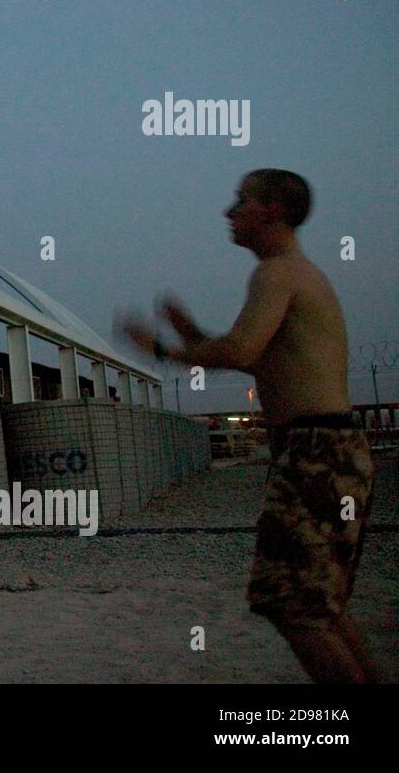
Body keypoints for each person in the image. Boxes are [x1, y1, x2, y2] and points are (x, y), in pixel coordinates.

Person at [120, 169, 376, 683]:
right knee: (318, 604)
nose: (229, 212)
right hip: (323, 450)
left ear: (273, 210)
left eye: (242, 201)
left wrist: (165, 350)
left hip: (316, 451)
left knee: (295, 607)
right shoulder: (292, 275)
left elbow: (240, 349)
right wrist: (190, 331)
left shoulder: (277, 273)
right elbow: (264, 361)